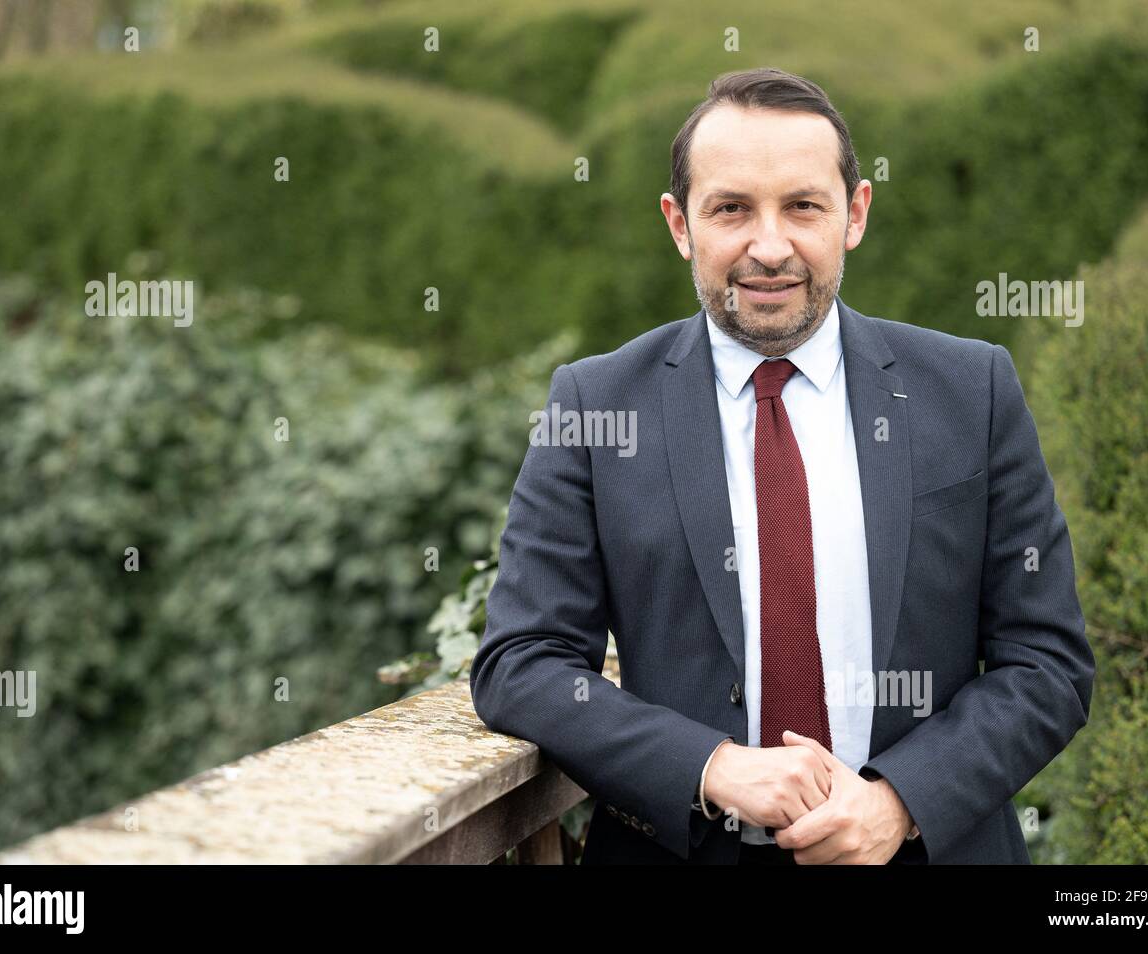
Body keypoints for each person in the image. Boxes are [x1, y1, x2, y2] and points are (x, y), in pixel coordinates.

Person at [469, 67, 1095, 865]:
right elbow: (522, 662)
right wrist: (709, 766)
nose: (770, 247)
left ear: (854, 214)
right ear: (679, 225)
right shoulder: (593, 405)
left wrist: (900, 802)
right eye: (731, 209)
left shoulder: (972, 391)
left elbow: (1047, 665)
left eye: (803, 206)